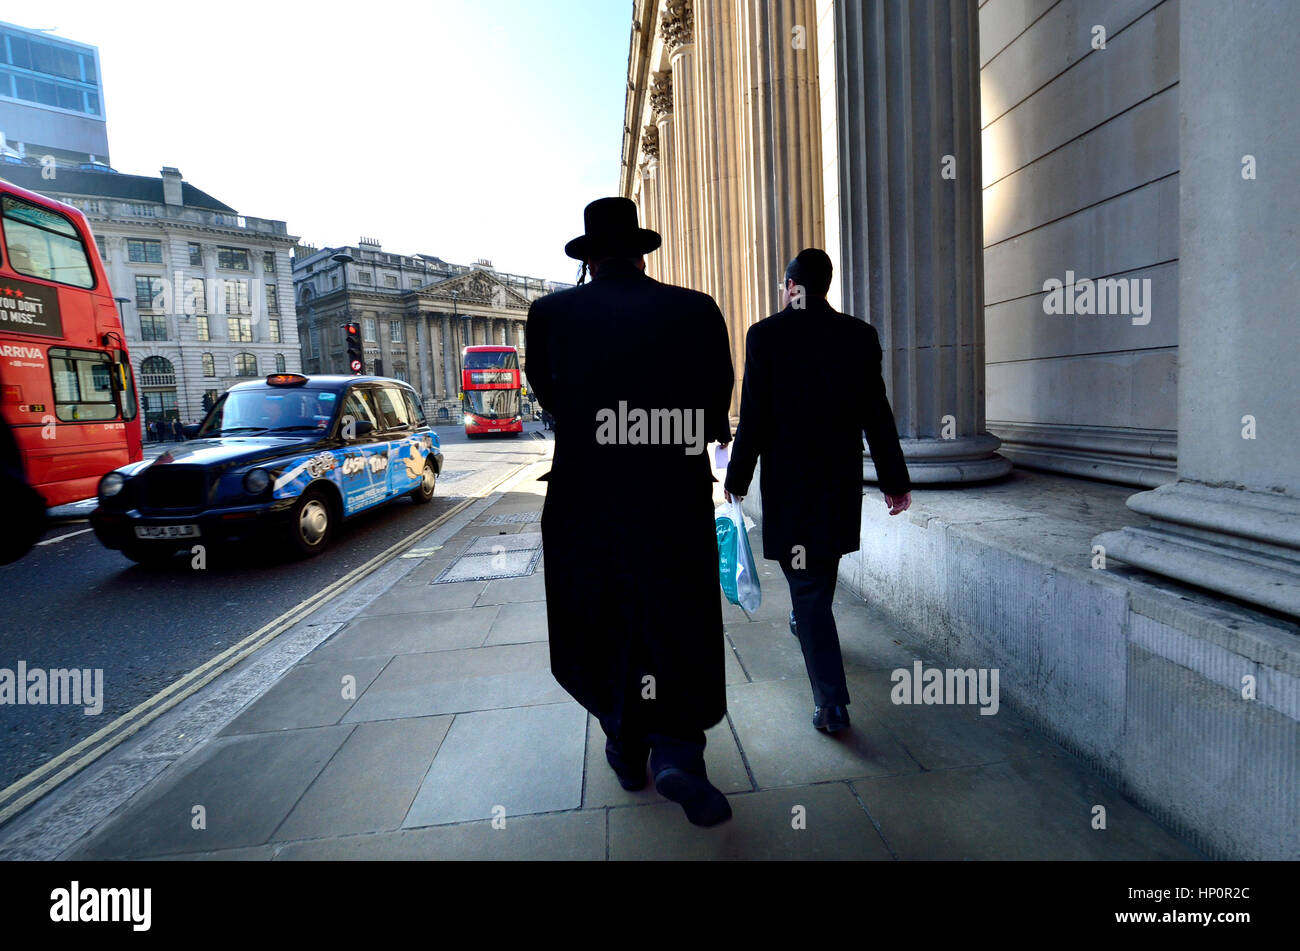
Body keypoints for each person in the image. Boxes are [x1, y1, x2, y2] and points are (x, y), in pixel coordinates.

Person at [526, 197, 735, 826]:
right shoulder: (695, 309)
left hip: (587, 495)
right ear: (643, 252)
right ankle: (679, 751)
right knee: (676, 612)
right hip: (672, 491)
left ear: (588, 258)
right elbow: (713, 403)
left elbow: (549, 395)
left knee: (600, 613)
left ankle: (624, 740)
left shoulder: (550, 314)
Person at [724, 248, 912, 735]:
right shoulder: (858, 336)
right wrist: (895, 482)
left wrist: (737, 478)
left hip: (790, 489)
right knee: (816, 578)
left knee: (808, 590)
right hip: (837, 486)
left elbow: (755, 417)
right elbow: (878, 415)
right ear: (825, 286)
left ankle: (831, 701)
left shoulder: (765, 336)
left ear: (791, 286)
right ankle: (807, 625)